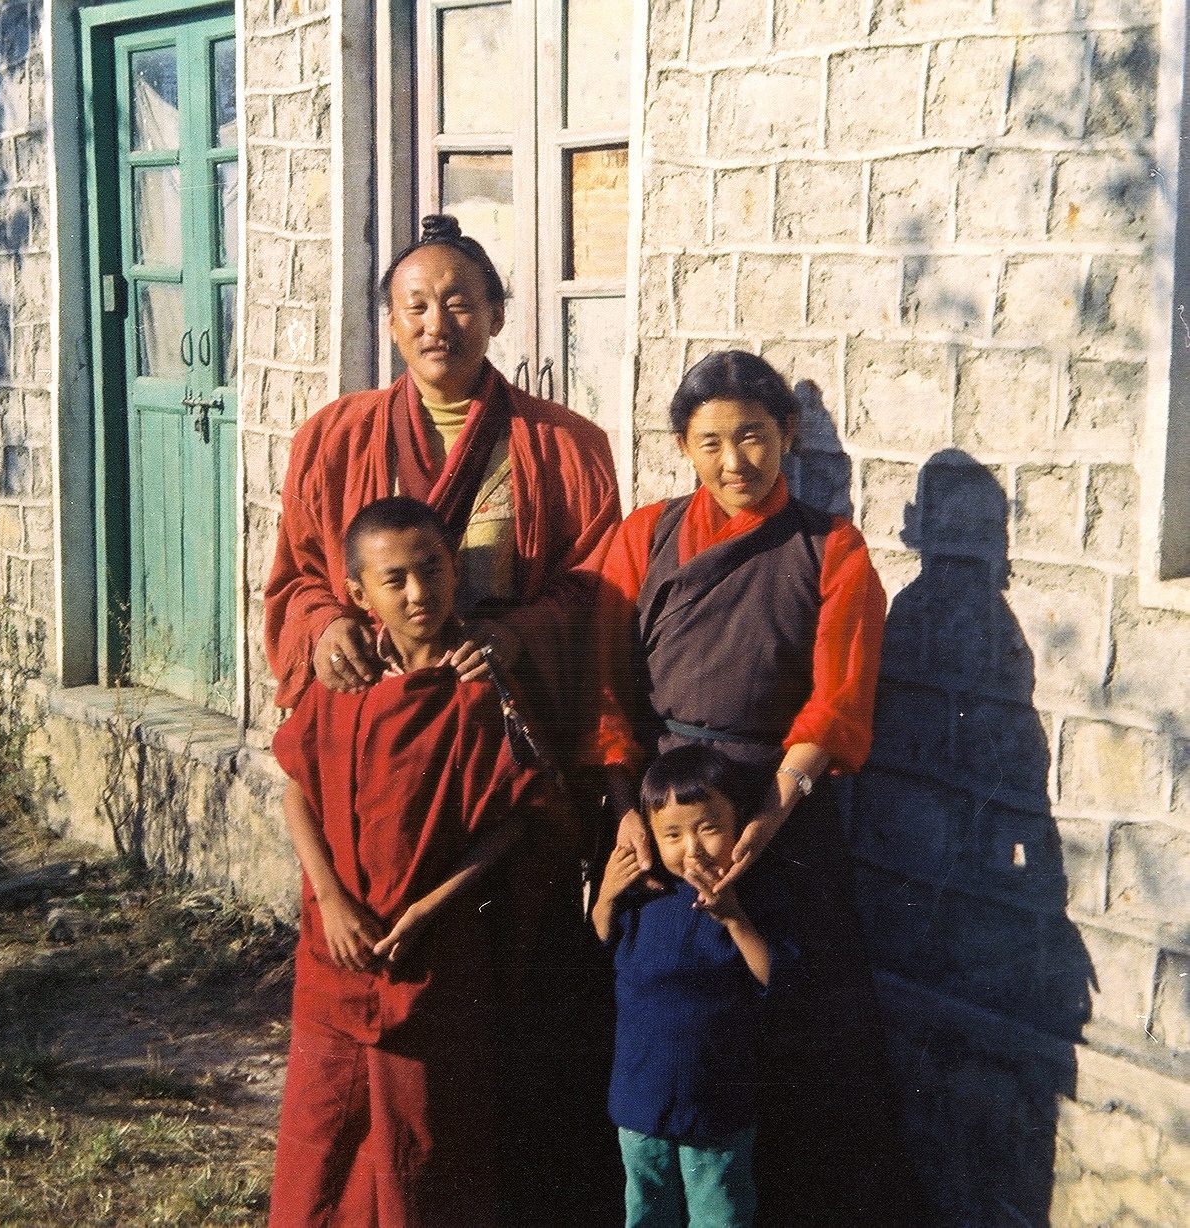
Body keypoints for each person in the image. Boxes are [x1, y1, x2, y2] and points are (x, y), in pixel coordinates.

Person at [586, 350, 930, 1225]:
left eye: (752, 437)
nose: (734, 462)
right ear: (682, 447)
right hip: (666, 814)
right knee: (663, 1018)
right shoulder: (646, 535)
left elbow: (838, 696)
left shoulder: (830, 547)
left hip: (782, 809)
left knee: (797, 1027)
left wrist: (777, 805)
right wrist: (628, 813)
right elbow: (606, 685)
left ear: (789, 434)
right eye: (710, 444)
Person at [268, 497, 557, 1228]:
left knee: (422, 1142)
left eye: (431, 570)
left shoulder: (477, 686)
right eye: (394, 580)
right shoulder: (346, 680)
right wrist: (331, 899)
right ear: (359, 595)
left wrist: (433, 906)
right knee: (323, 1128)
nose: (419, 593)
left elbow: (520, 820)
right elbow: (297, 791)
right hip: (337, 943)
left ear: (455, 569)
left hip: (433, 949)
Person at [263, 213, 621, 758]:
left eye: (459, 304)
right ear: (391, 323)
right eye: (417, 307)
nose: (437, 325)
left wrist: (518, 635)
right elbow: (300, 575)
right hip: (374, 714)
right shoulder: (334, 438)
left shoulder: (569, 446)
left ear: (496, 317)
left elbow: (594, 587)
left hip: (503, 722)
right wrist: (325, 626)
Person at [592, 745, 802, 1228]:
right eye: (672, 834)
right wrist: (605, 894)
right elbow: (602, 945)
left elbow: (777, 977)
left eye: (707, 827)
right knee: (646, 1210)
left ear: (739, 822)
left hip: (716, 1104)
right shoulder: (646, 896)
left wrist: (733, 917)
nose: (690, 848)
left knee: (720, 1212)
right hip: (641, 1098)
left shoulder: (754, 895)